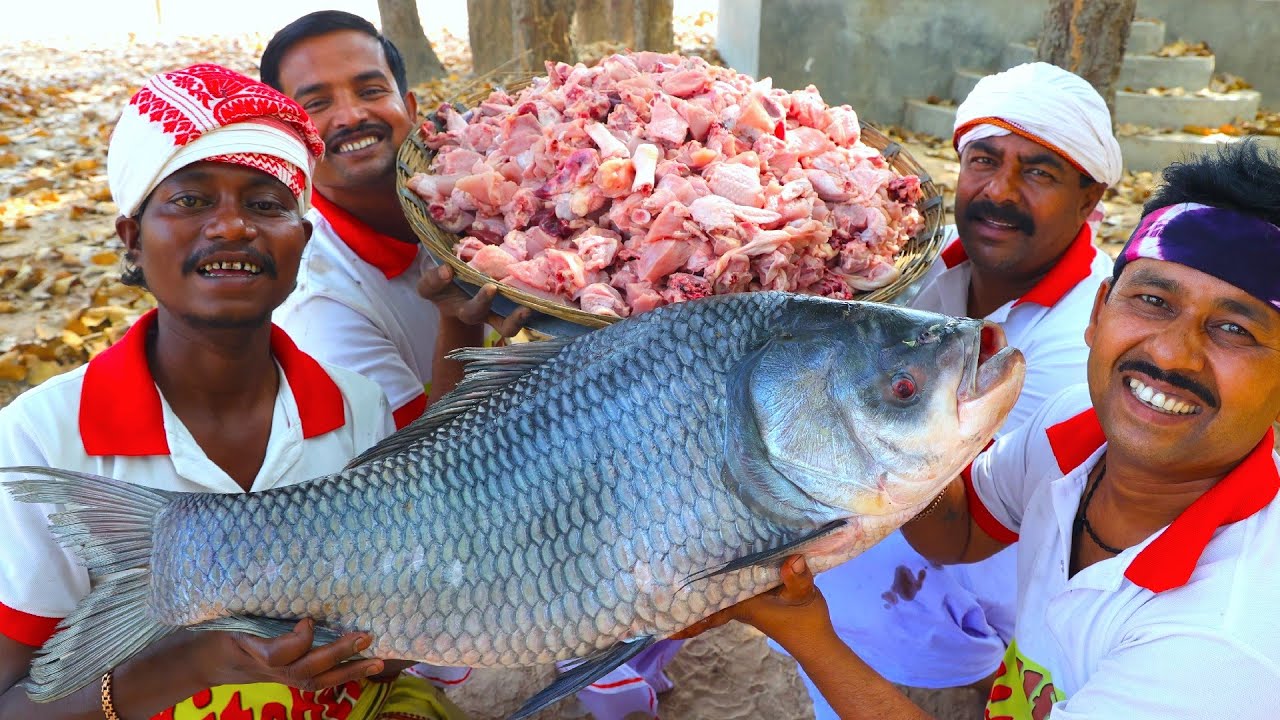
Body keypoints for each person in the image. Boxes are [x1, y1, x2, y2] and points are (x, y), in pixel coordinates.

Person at [682, 139, 1280, 719]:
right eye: (1153, 301)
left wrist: (807, 633)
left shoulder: (1226, 643)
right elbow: (960, 530)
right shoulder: (1077, 428)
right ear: (1099, 314)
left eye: (1235, 330)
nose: (1172, 354)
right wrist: (886, 431)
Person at [0, 64, 462, 720]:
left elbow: (399, 633)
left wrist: (369, 645)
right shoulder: (42, 438)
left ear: (302, 241)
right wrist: (203, 660)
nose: (232, 227)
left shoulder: (356, 408)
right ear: (132, 237)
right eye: (191, 201)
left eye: (266, 204)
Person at [784, 62, 1121, 711]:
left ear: (1089, 198)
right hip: (843, 589)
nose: (1000, 191)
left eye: (1039, 172)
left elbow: (955, 514)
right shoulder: (918, 266)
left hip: (945, 624)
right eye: (984, 161)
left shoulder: (1083, 339)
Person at [259, 10, 529, 432]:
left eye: (370, 90)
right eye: (317, 104)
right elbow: (424, 464)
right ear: (286, 140)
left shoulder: (486, 190)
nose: (351, 116)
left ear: (410, 108)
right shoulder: (320, 306)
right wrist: (459, 322)